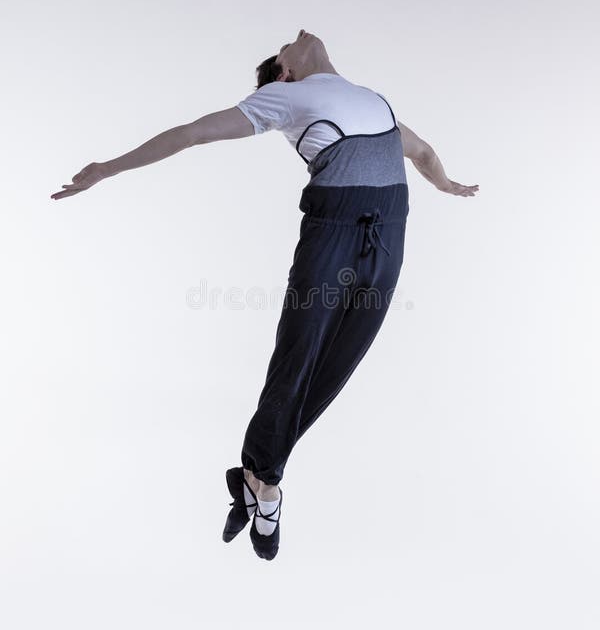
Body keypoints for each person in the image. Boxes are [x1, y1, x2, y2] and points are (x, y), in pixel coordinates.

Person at [51, 28, 479, 561]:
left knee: (339, 363)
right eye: (283, 52)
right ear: (286, 73)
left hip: (389, 234)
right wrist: (107, 169)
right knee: (297, 356)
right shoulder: (285, 96)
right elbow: (192, 133)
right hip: (333, 233)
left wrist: (446, 184)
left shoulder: (373, 100)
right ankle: (266, 485)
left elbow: (421, 150)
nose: (292, 41)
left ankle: (256, 475)